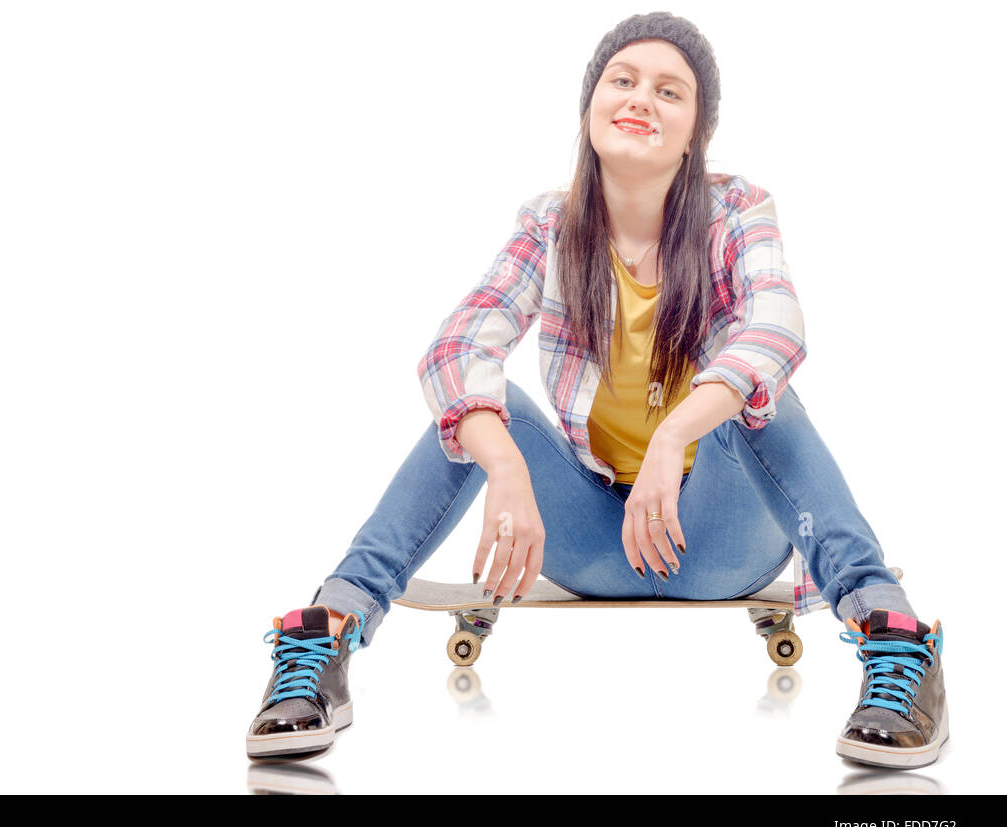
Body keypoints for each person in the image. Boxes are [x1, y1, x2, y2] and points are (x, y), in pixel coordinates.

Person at [245, 12, 948, 770]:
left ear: (694, 135)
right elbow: (457, 347)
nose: (641, 98)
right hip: (592, 543)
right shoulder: (549, 221)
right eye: (623, 81)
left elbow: (776, 327)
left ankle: (895, 641)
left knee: (759, 393)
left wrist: (676, 435)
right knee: (484, 405)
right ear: (590, 109)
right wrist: (507, 469)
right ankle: (328, 636)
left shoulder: (737, 210)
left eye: (669, 91)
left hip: (720, 540)